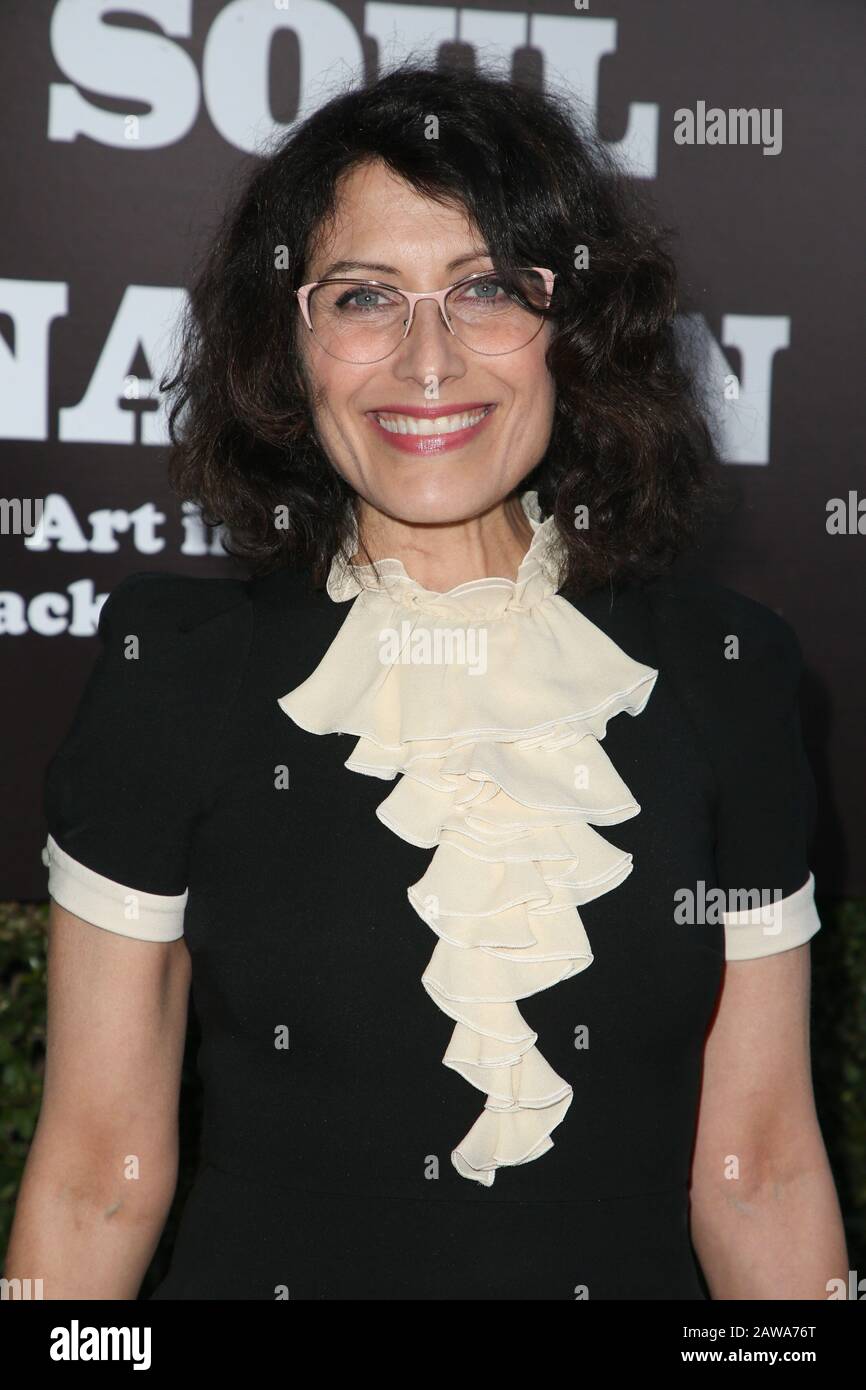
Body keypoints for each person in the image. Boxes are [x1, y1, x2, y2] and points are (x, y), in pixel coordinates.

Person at [5, 60, 848, 1300]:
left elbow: (759, 1172)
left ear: (572, 331)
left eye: (486, 288)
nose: (428, 360)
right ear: (289, 344)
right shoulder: (175, 678)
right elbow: (95, 1180)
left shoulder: (723, 674)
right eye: (363, 297)